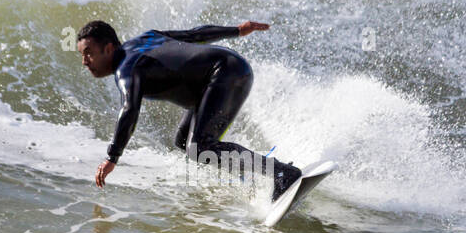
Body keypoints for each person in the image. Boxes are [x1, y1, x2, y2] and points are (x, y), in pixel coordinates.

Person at [77, 19, 302, 202]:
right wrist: (236, 30)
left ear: (108, 48)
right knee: (184, 142)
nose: (85, 62)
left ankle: (281, 173)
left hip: (225, 73)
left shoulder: (126, 70)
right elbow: (195, 34)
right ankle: (256, 180)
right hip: (218, 75)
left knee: (200, 147)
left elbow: (129, 109)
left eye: (89, 53)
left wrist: (112, 156)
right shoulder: (146, 38)